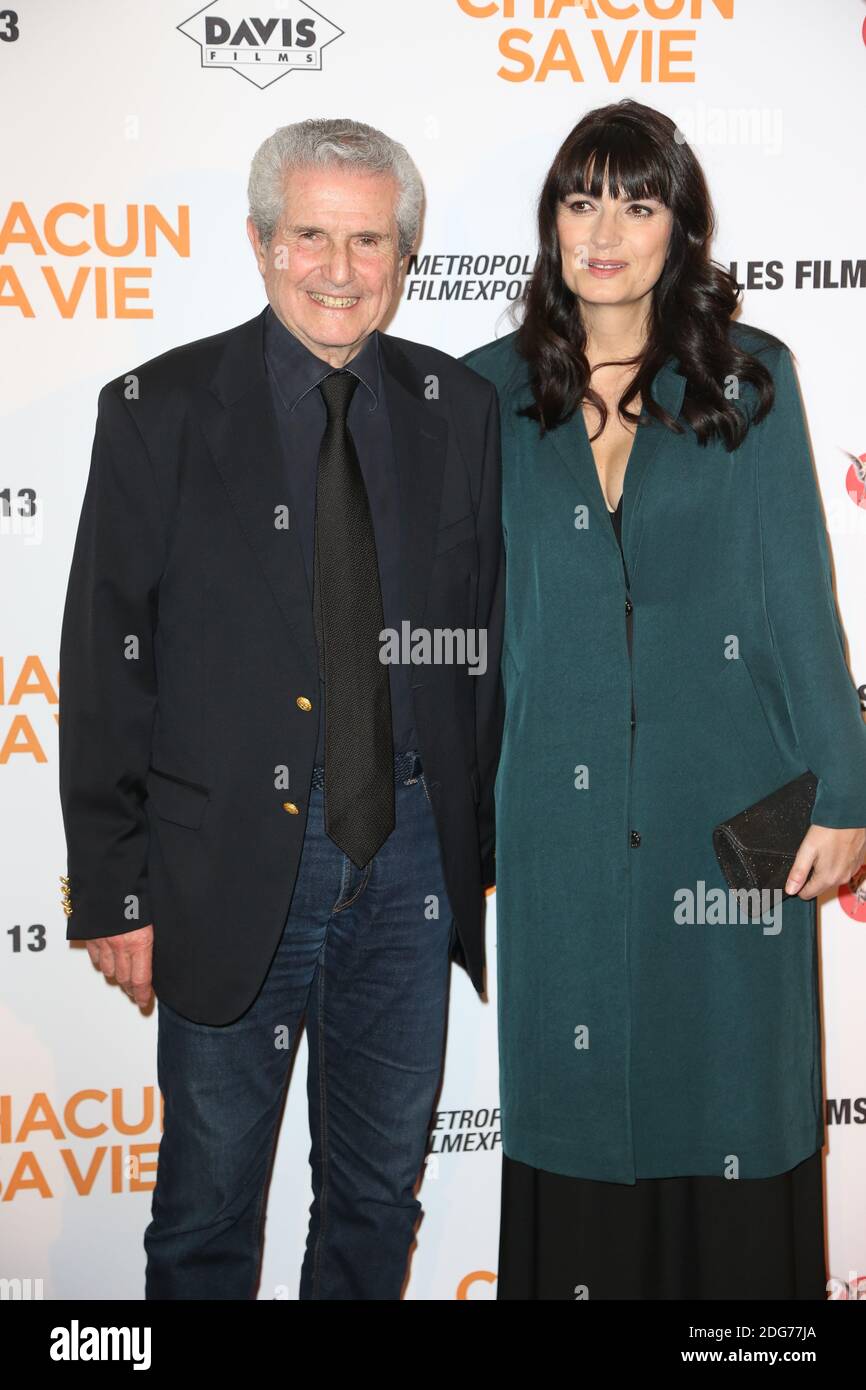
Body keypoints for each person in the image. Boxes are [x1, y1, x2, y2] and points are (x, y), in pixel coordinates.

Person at [58, 117, 504, 1300]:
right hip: (226, 865)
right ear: (260, 243)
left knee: (376, 1198)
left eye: (368, 240)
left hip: (407, 859)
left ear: (404, 256)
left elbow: (479, 641)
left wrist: (474, 843)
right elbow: (106, 662)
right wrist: (112, 885)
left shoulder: (458, 406)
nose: (338, 269)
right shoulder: (159, 407)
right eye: (310, 235)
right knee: (207, 1208)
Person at [463, 98, 866, 1300]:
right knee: (575, 1110)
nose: (604, 232)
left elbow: (797, 598)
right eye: (580, 200)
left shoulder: (747, 378)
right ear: (549, 220)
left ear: (678, 228)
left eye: (636, 204)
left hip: (727, 818)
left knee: (732, 1098)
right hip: (558, 830)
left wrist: (845, 789)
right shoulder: (483, 394)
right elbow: (468, 631)